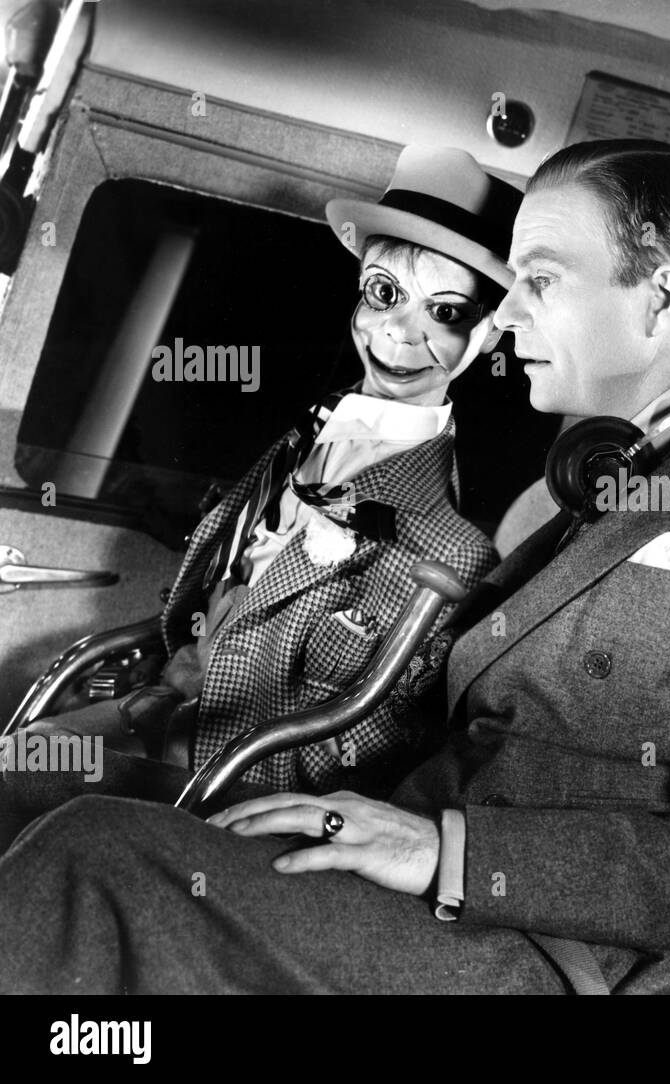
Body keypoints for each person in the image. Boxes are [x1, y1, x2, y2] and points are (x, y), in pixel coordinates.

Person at [0, 138, 670, 995]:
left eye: (537, 282)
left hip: (540, 946)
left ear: (661, 298)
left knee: (95, 856)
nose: (506, 316)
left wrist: (446, 852)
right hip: (421, 858)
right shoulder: (615, 461)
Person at [8, 146, 515, 804]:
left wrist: (236, 770)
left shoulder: (451, 549)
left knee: (20, 777)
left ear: (489, 335)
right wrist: (159, 675)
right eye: (384, 293)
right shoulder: (306, 433)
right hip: (164, 700)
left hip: (238, 773)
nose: (397, 331)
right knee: (17, 753)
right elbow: (229, 572)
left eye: (444, 312)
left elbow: (372, 743)